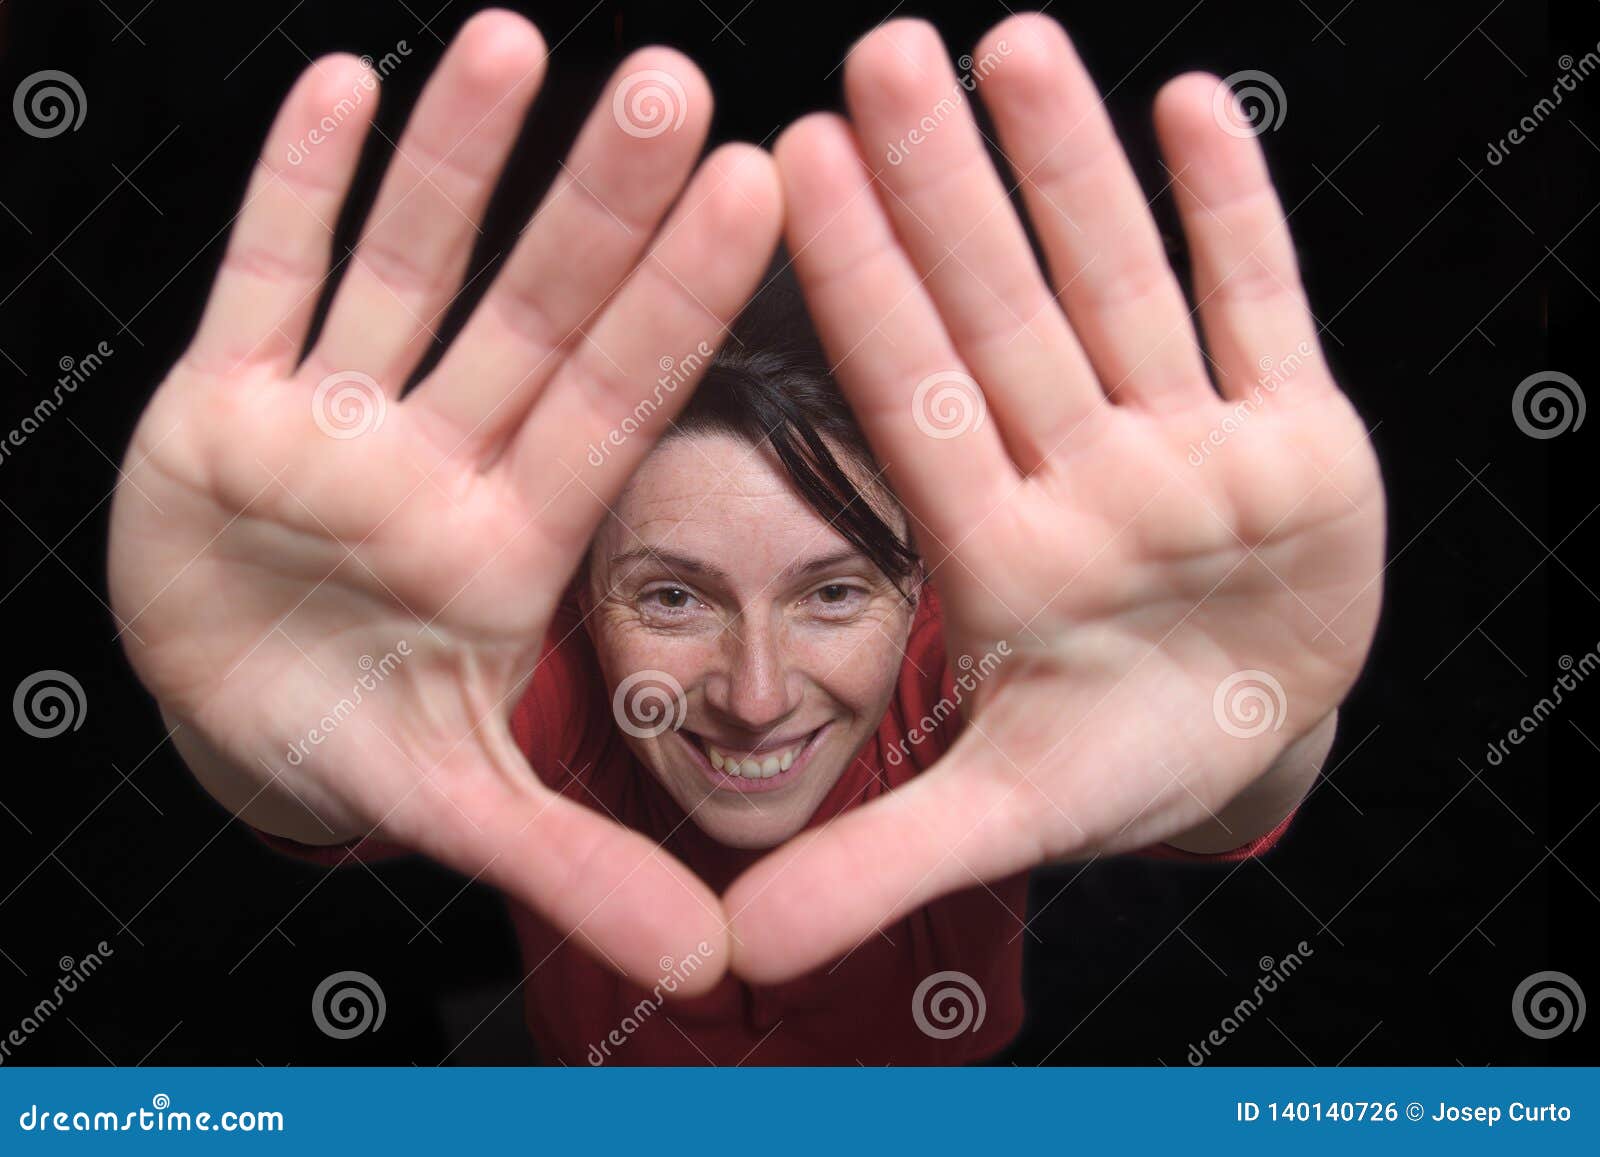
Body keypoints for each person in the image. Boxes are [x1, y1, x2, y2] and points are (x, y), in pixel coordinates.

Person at [107, 10, 1385, 1063]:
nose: (755, 695)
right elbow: (304, 759)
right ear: (580, 587)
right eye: (673, 598)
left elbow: (1223, 776)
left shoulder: (986, 667)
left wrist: (1271, 712)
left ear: (925, 577)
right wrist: (233, 699)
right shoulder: (530, 670)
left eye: (834, 592)